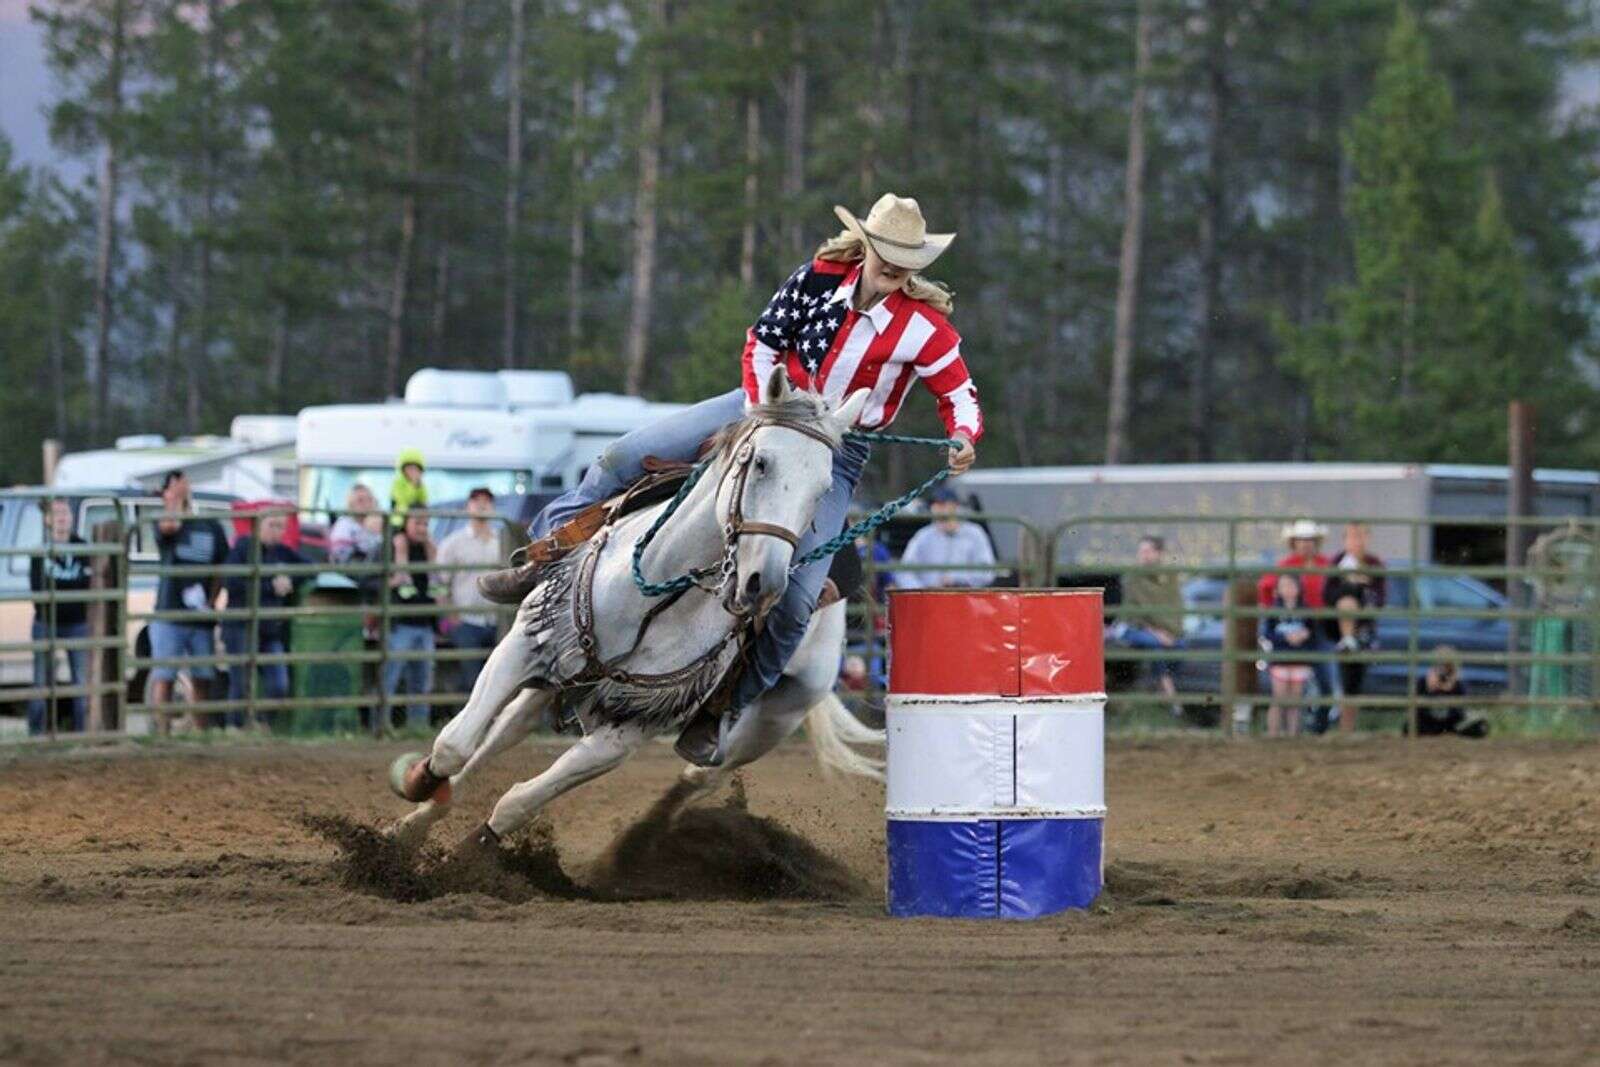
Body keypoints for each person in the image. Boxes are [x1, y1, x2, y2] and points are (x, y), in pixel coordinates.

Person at [474, 193, 982, 766]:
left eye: (905, 260)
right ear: (865, 246)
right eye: (886, 253)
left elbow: (958, 392)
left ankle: (721, 707)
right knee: (624, 457)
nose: (893, 268)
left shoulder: (925, 330)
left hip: (835, 450)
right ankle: (544, 559)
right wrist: (764, 407)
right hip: (761, 408)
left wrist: (963, 435)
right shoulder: (818, 279)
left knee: (794, 599)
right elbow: (764, 341)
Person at [150, 471, 229, 732]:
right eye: (174, 485)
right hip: (170, 613)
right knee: (165, 676)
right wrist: (174, 500)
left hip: (200, 616)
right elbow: (169, 527)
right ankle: (162, 732)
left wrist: (211, 600)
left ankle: (200, 730)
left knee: (202, 677)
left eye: (184, 484)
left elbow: (220, 567)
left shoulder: (211, 526)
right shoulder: (166, 520)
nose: (183, 488)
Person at [220, 510, 306, 726]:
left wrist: (290, 580)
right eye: (272, 525)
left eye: (281, 527)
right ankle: (236, 728)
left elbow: (311, 567)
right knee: (241, 683)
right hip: (241, 625)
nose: (276, 531)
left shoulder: (283, 552)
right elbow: (232, 581)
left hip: (269, 629)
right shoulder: (242, 548)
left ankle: (263, 724)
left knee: (279, 683)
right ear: (258, 526)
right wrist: (270, 586)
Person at [1257, 519, 1339, 731]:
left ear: (1316, 542)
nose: (1305, 544)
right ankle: (1282, 733)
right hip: (1292, 626)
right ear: (1294, 542)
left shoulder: (1325, 564)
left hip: (1318, 626)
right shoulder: (1286, 565)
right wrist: (1274, 612)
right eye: (1301, 540)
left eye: (1309, 540)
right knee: (1285, 689)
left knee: (1325, 679)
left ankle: (1318, 725)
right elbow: (1265, 587)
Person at [27, 499, 91, 734]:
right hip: (46, 623)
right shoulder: (39, 551)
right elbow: (36, 590)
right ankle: (37, 734)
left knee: (81, 683)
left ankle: (82, 734)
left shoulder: (84, 548)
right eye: (57, 513)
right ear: (47, 520)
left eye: (65, 512)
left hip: (77, 624)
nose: (62, 517)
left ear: (72, 518)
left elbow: (88, 584)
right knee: (41, 682)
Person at [436, 487, 503, 697]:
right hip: (465, 620)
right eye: (476, 501)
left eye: (487, 501)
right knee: (471, 678)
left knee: (496, 677)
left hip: (495, 620)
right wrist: (450, 615)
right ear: (468, 507)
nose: (482, 505)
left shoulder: (501, 543)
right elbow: (439, 583)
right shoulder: (453, 543)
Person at [1110, 535, 1184, 713]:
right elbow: (1133, 613)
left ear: (1159, 553)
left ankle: (1159, 687)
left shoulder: (1169, 578)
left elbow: (1174, 609)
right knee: (1155, 645)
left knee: (1181, 646)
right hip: (1132, 627)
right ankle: (1170, 696)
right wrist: (1156, 633)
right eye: (1141, 551)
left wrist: (1170, 632)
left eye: (1148, 551)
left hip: (1163, 630)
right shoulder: (1133, 578)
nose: (1143, 555)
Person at [1325, 522, 1386, 733]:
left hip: (1364, 629)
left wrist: (1361, 584)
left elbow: (1378, 599)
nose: (1356, 541)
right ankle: (1334, 728)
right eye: (1352, 536)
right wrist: (1350, 585)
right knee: (1338, 679)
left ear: (1367, 539)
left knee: (1353, 681)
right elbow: (1328, 596)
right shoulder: (1336, 563)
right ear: (1345, 540)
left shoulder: (1374, 564)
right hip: (1334, 632)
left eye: (1360, 536)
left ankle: (1346, 730)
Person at [383, 506, 438, 729]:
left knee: (422, 681)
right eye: (417, 523)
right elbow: (376, 579)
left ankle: (418, 726)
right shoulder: (391, 547)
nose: (422, 528)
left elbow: (439, 584)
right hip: (400, 624)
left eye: (425, 523)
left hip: (425, 624)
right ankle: (382, 725)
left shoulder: (430, 550)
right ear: (406, 523)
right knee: (389, 679)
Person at [895, 488, 998, 589]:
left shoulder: (975, 533)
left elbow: (987, 573)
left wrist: (956, 578)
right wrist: (921, 592)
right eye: (935, 505)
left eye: (942, 504)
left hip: (966, 598)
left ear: (956, 506)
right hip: (930, 598)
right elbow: (904, 572)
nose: (938, 509)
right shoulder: (924, 536)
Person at [1260, 573, 1315, 738]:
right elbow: (1268, 634)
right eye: (1284, 586)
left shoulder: (1306, 610)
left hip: (1299, 660)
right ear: (1278, 590)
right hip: (1280, 660)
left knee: (1295, 701)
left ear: (1299, 588)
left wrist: (1304, 635)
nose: (1288, 590)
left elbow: (1313, 632)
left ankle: (1293, 735)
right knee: (1278, 698)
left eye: (1291, 585)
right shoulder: (1274, 611)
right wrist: (1286, 637)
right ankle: (1273, 734)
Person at [1410, 646, 1488, 738]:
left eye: (1447, 665)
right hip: (1429, 724)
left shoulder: (1459, 683)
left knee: (1481, 726)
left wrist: (1450, 686)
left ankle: (1451, 735)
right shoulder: (1423, 681)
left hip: (1451, 725)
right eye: (1439, 664)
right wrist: (1431, 688)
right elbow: (1415, 709)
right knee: (1409, 727)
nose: (1442, 669)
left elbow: (1462, 710)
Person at [329, 483, 385, 563]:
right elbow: (340, 555)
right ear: (351, 504)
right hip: (353, 564)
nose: (367, 504)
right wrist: (369, 531)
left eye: (370, 499)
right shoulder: (344, 523)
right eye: (360, 500)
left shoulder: (379, 521)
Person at [389, 448, 428, 528]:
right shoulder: (398, 483)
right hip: (399, 522)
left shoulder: (420, 484)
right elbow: (403, 500)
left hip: (415, 520)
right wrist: (413, 485)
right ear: (403, 469)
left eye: (415, 468)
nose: (412, 471)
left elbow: (423, 500)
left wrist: (418, 485)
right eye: (410, 468)